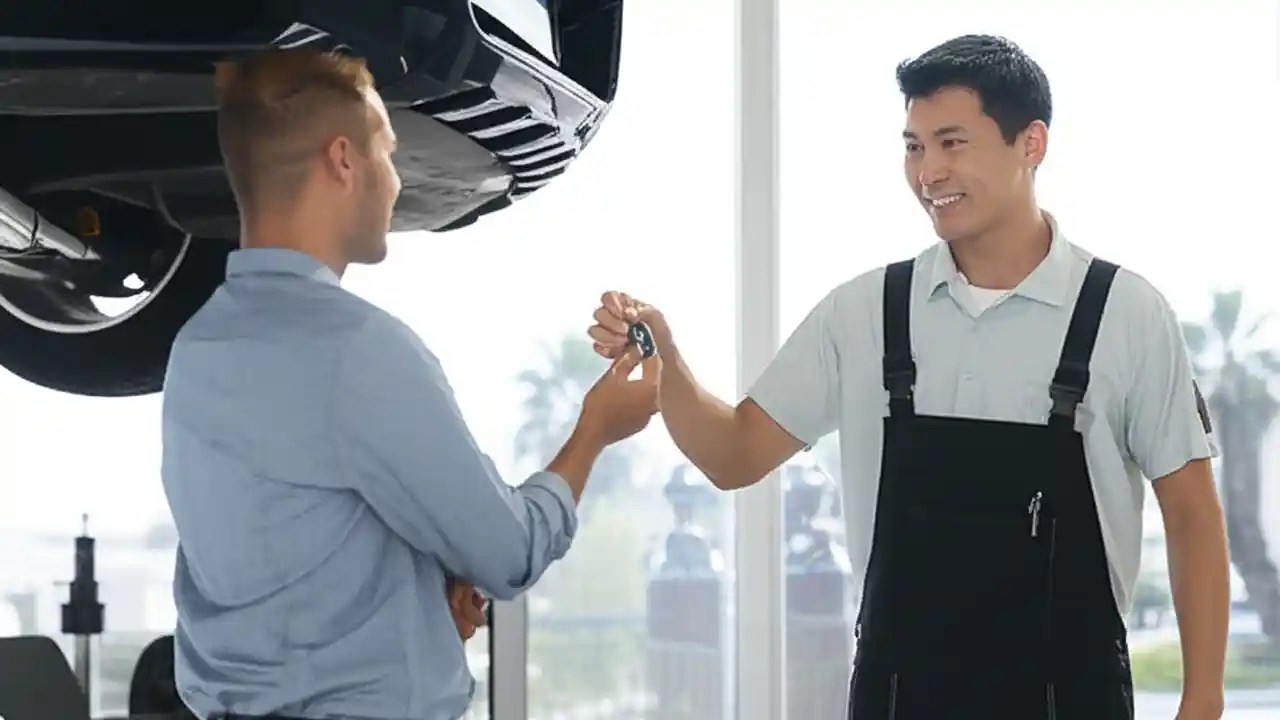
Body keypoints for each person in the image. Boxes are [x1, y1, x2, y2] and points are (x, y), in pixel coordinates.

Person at [589, 34, 1230, 719]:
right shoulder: (865, 312)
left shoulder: (1125, 315)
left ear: (1031, 143)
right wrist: (668, 360)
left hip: (1071, 700)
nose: (928, 172)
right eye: (913, 146)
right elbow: (735, 453)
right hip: (899, 699)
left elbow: (1191, 515)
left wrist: (1203, 702)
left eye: (951, 143)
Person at [160, 47, 660, 720]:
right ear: (343, 160)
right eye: (387, 153)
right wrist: (595, 430)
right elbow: (508, 552)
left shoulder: (196, 353)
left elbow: (291, 558)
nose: (396, 184)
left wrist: (422, 597)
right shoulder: (357, 350)